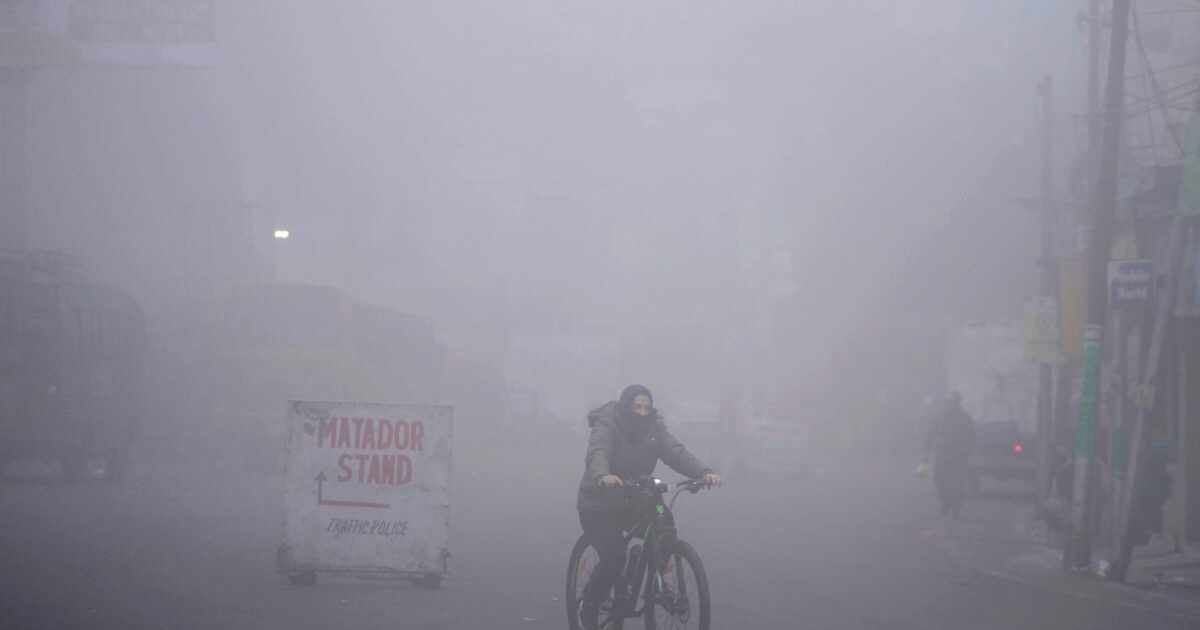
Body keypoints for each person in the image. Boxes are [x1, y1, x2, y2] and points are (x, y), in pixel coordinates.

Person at [576, 384, 721, 630]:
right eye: (636, 407)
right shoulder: (607, 424)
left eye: (646, 407)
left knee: (664, 519)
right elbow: (597, 453)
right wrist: (603, 476)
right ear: (625, 407)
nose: (642, 412)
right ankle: (588, 607)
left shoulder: (655, 427)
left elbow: (676, 453)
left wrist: (704, 473)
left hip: (634, 496)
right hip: (599, 502)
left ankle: (654, 576)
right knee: (613, 558)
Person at [923, 391, 976, 520]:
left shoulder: (965, 417)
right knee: (940, 482)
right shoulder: (939, 417)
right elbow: (930, 434)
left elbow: (972, 436)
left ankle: (956, 510)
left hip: (959, 455)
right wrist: (926, 452)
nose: (950, 405)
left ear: (958, 403)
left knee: (958, 484)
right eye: (948, 402)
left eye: (953, 402)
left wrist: (969, 449)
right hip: (942, 454)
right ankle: (945, 502)